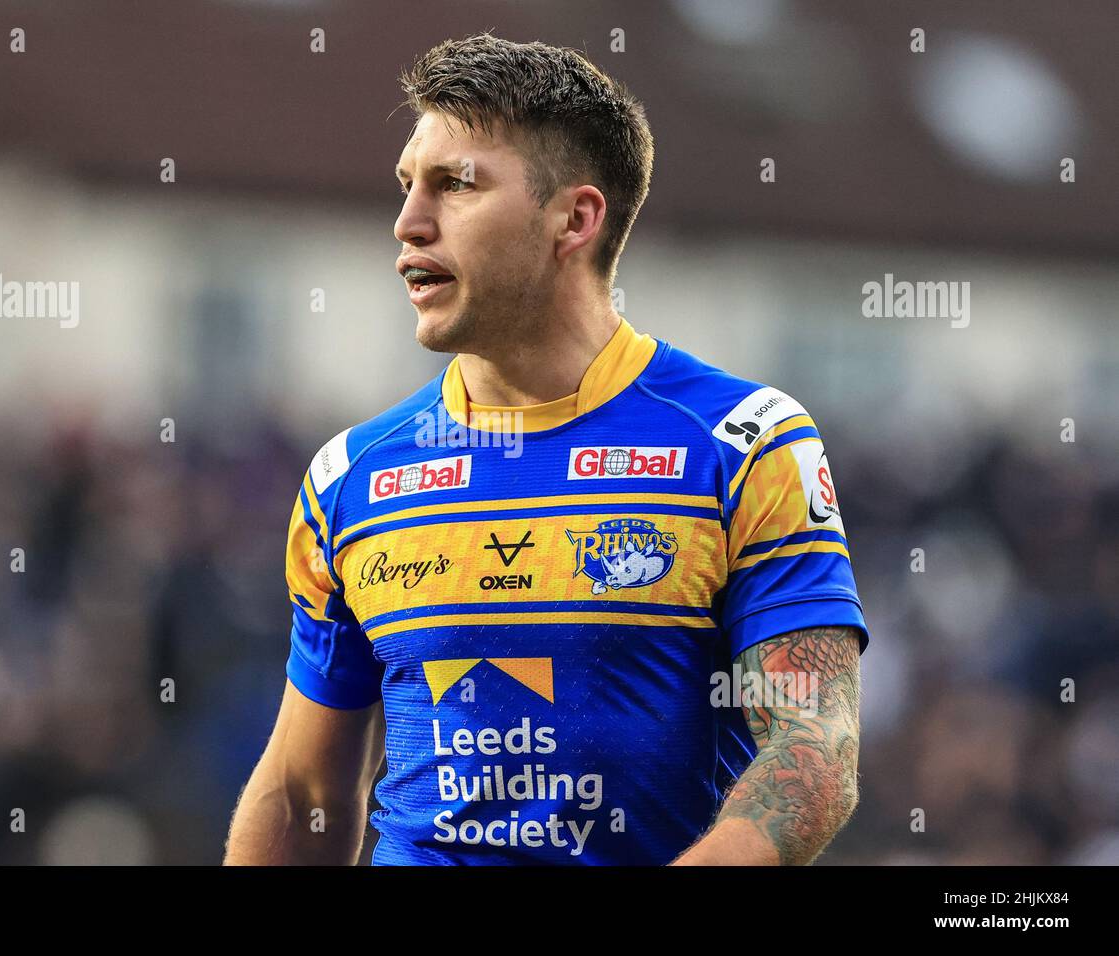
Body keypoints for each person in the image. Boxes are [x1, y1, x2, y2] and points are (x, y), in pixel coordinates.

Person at [224, 33, 868, 866]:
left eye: (455, 185)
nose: (408, 222)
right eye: (408, 186)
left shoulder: (743, 445)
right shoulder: (352, 476)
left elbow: (814, 753)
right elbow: (305, 789)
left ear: (575, 219)